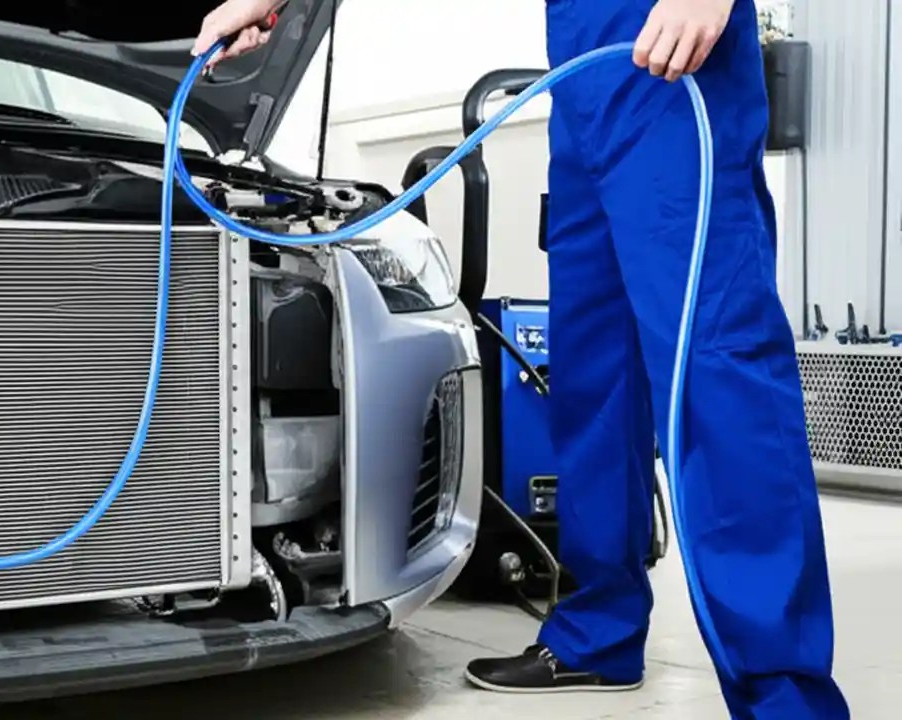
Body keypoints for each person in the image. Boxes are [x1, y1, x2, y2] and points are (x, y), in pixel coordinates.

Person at [193, 1, 850, 718]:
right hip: (583, 71)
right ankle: (601, 628)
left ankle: (787, 698)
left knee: (717, 378)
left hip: (669, 46)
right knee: (593, 371)